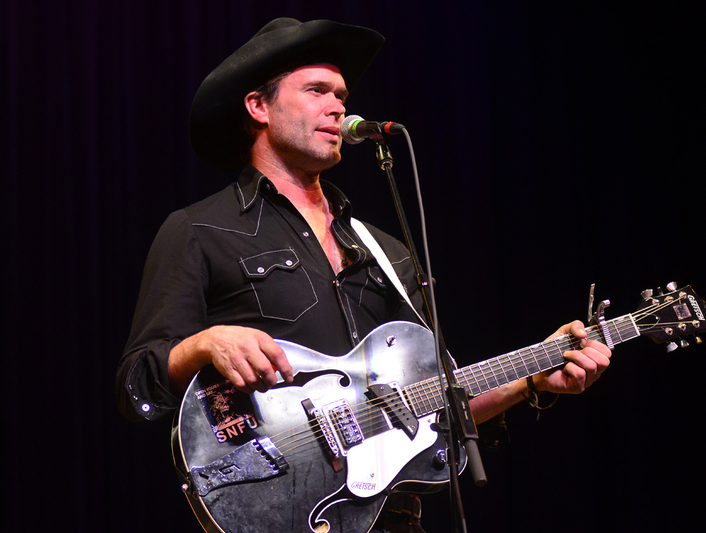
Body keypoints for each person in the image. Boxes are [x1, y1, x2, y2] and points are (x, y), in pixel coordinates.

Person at [115, 18, 612, 533]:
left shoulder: (385, 250)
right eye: (316, 91)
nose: (338, 107)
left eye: (341, 95)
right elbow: (137, 384)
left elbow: (434, 402)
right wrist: (205, 344)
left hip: (390, 517)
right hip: (276, 512)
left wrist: (530, 378)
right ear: (258, 107)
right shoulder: (200, 230)